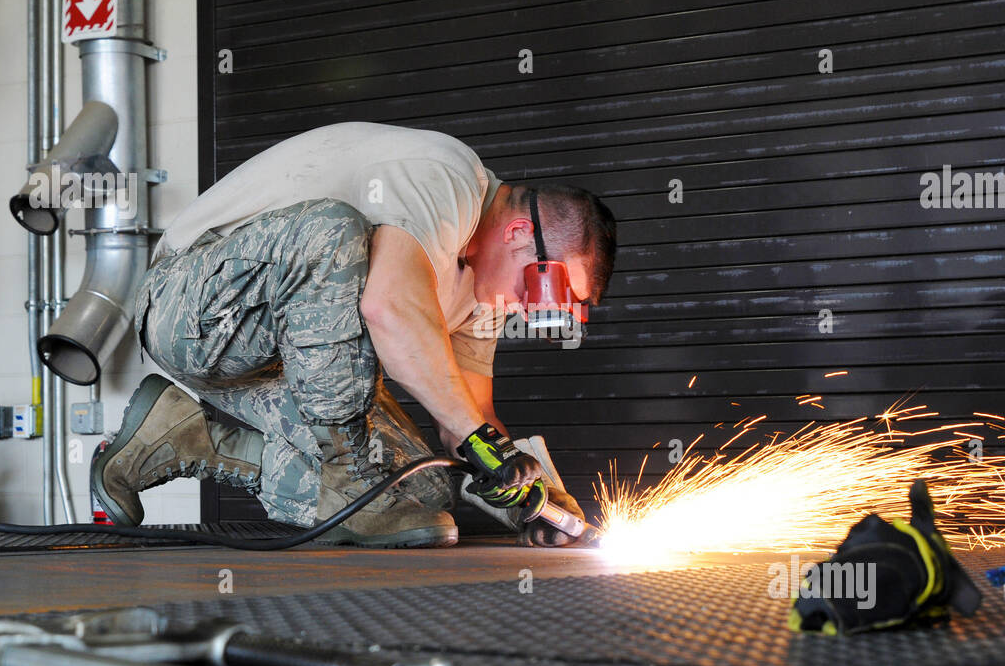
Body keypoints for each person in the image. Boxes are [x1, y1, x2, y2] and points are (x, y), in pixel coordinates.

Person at [90, 121, 616, 548]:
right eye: (543, 290)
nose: (530, 308)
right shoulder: (447, 177)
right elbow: (389, 305)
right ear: (520, 234)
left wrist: (530, 494)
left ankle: (178, 436)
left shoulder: (484, 294)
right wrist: (483, 444)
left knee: (417, 491)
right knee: (334, 231)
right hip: (191, 309)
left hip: (287, 358)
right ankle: (346, 479)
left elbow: (469, 423)